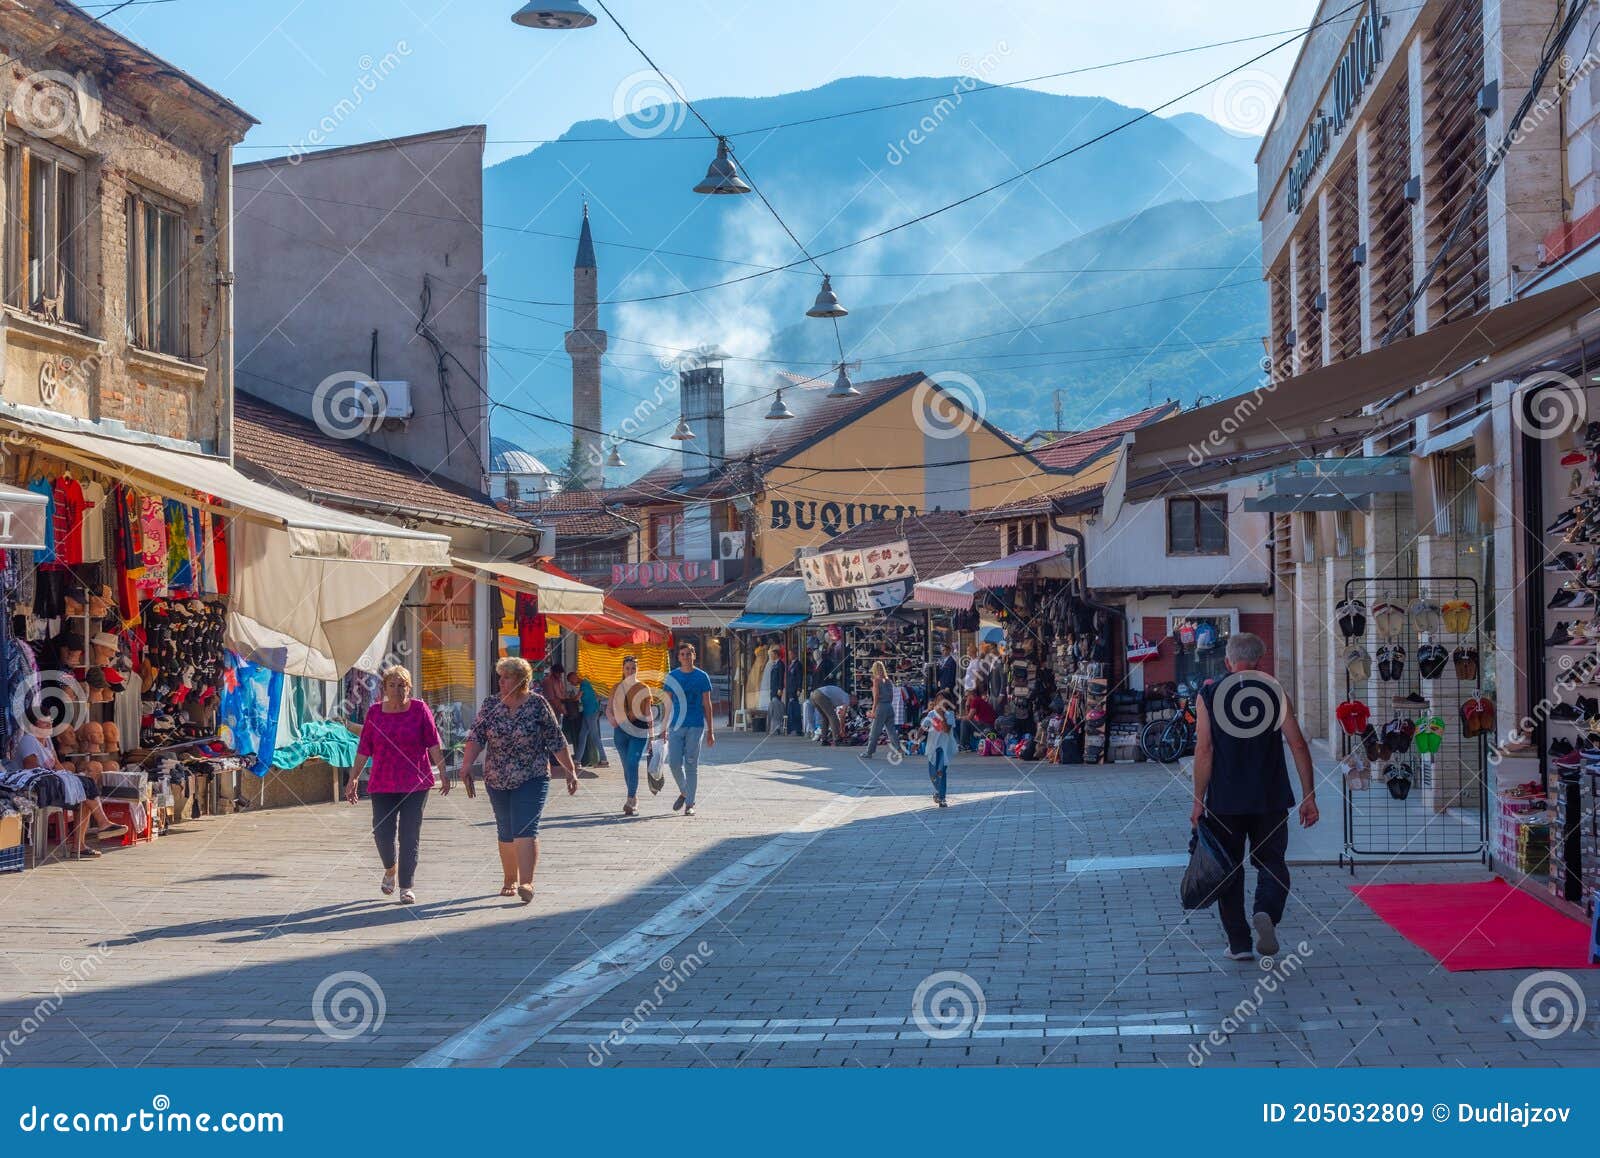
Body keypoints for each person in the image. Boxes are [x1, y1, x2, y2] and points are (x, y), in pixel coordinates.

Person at [1190, 633, 1318, 961]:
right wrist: (1309, 795)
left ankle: (1239, 944)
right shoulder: (1274, 693)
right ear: (1260, 661)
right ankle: (1266, 912)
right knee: (1272, 861)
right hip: (1270, 798)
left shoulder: (1209, 693)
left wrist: (1198, 800)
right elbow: (1299, 744)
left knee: (1229, 869)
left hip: (1224, 801)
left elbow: (1204, 750)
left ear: (1228, 661)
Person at [459, 657, 579, 904]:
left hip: (532, 775)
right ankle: (509, 878)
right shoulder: (491, 704)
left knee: (525, 827)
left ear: (521, 680)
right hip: (496, 776)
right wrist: (467, 764)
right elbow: (477, 736)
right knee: (506, 829)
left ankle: (527, 882)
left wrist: (569, 769)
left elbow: (555, 739)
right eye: (500, 677)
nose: (501, 681)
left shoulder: (537, 704)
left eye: (507, 677)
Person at [345, 665, 444, 905]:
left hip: (415, 782)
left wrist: (443, 771)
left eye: (402, 686)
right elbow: (364, 748)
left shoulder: (420, 709)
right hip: (383, 782)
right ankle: (390, 868)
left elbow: (432, 742)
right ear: (384, 688)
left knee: (409, 835)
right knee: (382, 833)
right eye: (393, 685)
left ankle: (406, 886)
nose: (398, 690)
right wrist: (353, 778)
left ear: (409, 688)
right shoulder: (375, 713)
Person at [16, 723, 127, 857]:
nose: (49, 725)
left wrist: (67, 777)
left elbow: (56, 764)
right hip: (36, 788)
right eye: (44, 723)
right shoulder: (29, 740)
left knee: (84, 788)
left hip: (51, 783)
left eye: (50, 722)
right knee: (85, 786)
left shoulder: (47, 740)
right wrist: (62, 779)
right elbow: (32, 769)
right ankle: (102, 823)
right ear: (33, 725)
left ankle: (79, 846)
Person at [661, 642, 715, 816]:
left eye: (688, 654)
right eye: (682, 654)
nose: (685, 657)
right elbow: (667, 704)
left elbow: (707, 705)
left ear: (694, 656)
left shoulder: (702, 677)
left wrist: (710, 731)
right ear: (678, 657)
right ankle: (685, 791)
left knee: (691, 765)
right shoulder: (672, 676)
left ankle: (690, 803)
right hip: (676, 725)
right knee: (674, 763)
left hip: (695, 726)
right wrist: (663, 727)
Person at [607, 655, 654, 816]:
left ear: (637, 669)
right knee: (627, 767)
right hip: (620, 733)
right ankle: (634, 798)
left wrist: (652, 736)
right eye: (627, 668)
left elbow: (648, 713)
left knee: (633, 763)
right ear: (623, 669)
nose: (630, 671)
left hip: (638, 732)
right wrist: (611, 719)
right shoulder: (616, 687)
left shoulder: (644, 688)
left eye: (633, 668)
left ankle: (630, 799)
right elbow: (608, 708)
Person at [923, 692, 958, 808]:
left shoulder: (950, 714)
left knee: (941, 772)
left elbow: (946, 730)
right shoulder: (931, 714)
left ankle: (942, 798)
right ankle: (938, 792)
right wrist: (916, 741)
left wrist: (942, 715)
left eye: (943, 700)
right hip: (933, 748)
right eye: (938, 700)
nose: (940, 702)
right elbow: (923, 727)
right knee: (932, 774)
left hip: (944, 748)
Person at [863, 661, 896, 758]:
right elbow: (891, 695)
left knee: (874, 732)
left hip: (880, 707)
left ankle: (869, 752)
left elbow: (876, 696)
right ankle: (899, 750)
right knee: (891, 731)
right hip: (889, 706)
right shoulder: (888, 680)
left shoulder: (876, 680)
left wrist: (873, 709)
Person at [574, 670, 606, 768]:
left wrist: (568, 699)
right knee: (582, 736)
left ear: (575, 677)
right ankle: (577, 761)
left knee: (594, 736)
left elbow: (577, 698)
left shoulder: (584, 683)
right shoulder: (586, 683)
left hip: (591, 712)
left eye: (571, 681)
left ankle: (604, 760)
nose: (572, 683)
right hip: (588, 712)